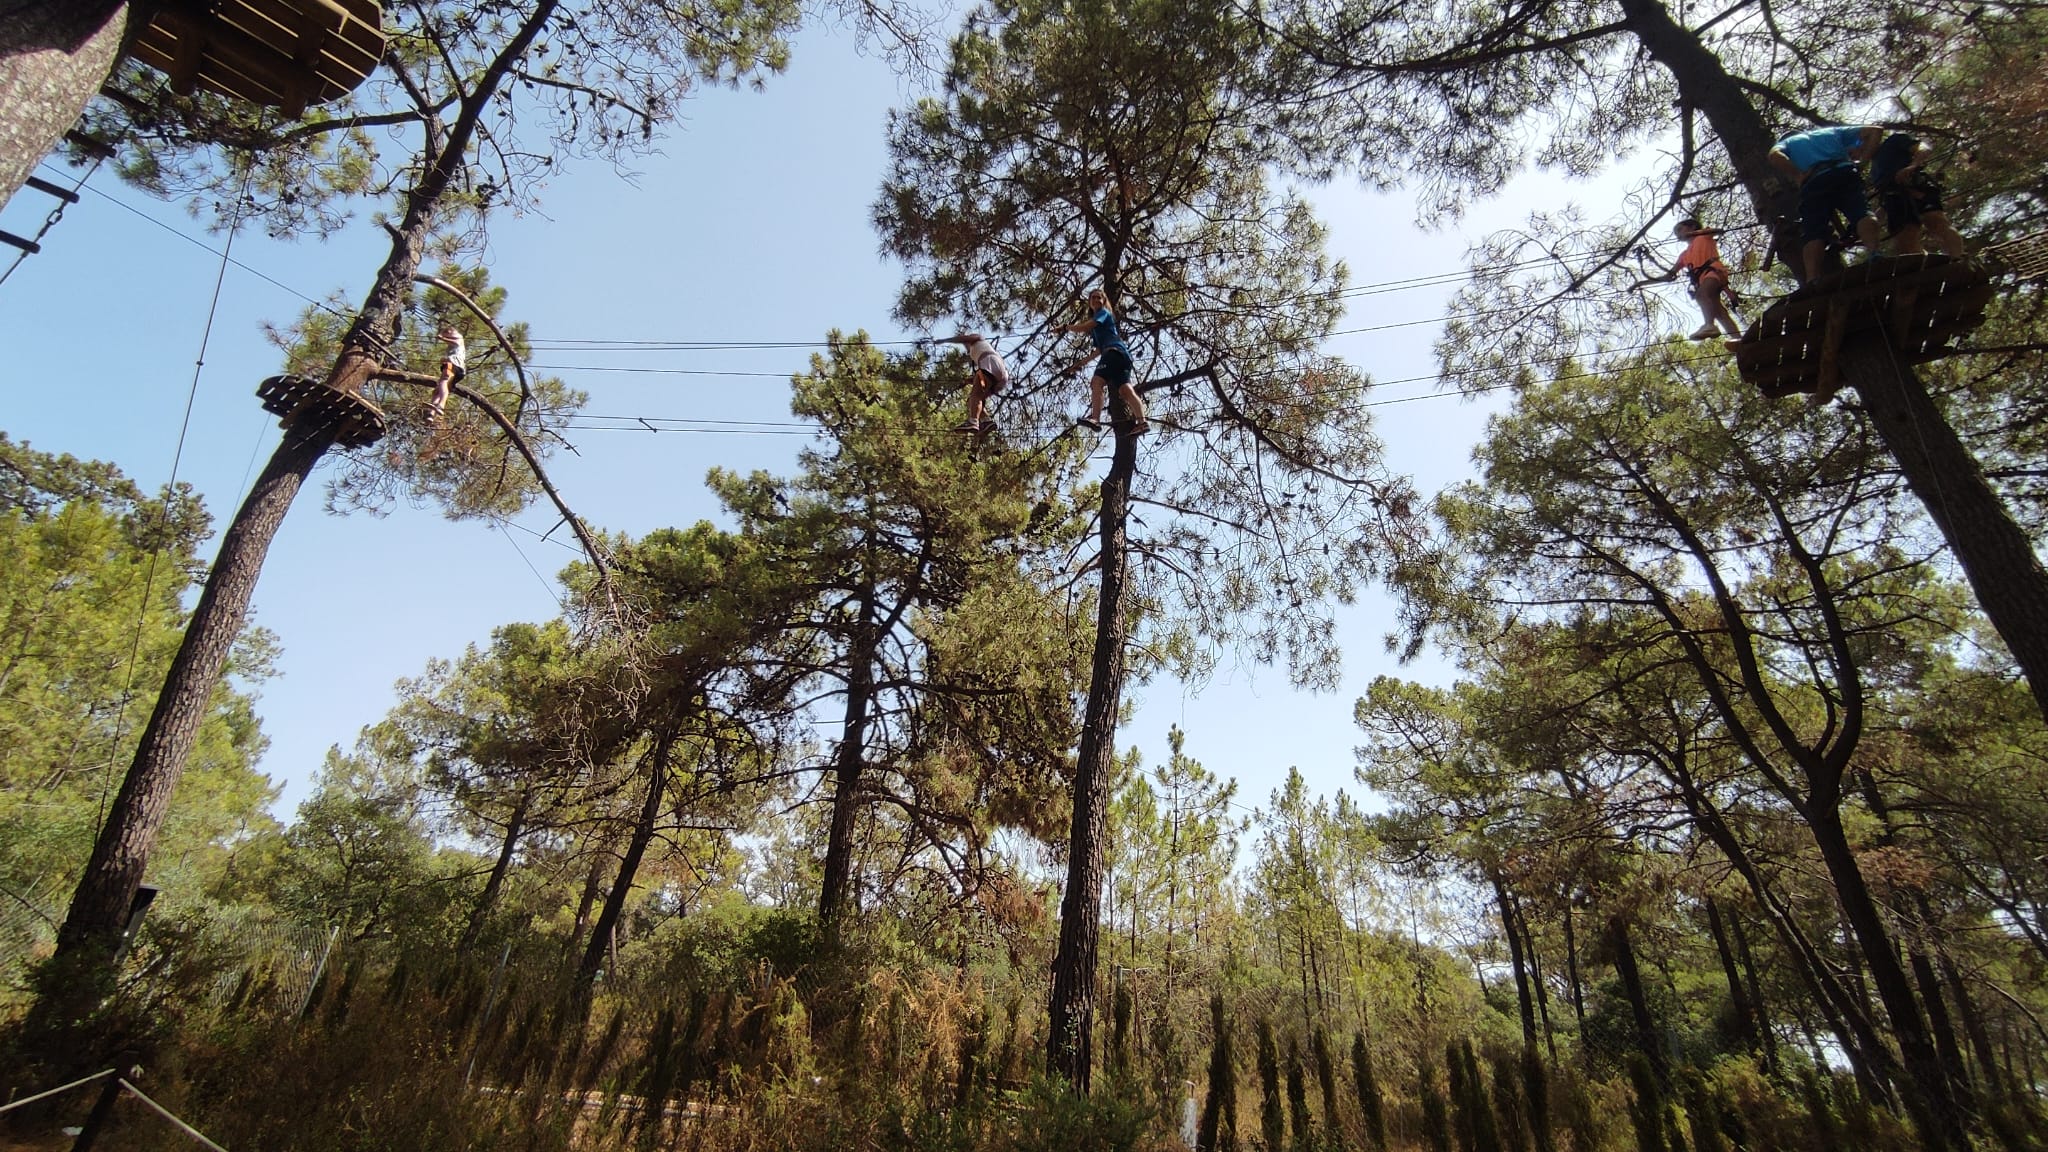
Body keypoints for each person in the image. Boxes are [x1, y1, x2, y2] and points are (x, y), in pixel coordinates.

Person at [1767, 124, 1884, 282]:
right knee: (1861, 212)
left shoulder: (1789, 142)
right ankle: (1875, 253)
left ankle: (1812, 279)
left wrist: (1797, 174)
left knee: (1814, 231)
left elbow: (1774, 155)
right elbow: (1876, 130)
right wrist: (1863, 161)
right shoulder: (1831, 131)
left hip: (1814, 180)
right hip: (1844, 171)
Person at [1639, 218, 1744, 340]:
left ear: (1692, 226)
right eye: (1676, 233)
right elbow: (1669, 275)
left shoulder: (1703, 236)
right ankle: (1738, 339)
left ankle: (1709, 325)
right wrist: (1641, 283)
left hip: (1714, 272)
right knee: (1718, 311)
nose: (1678, 234)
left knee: (1701, 295)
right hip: (1703, 279)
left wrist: (1696, 233)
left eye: (1680, 229)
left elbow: (1719, 231)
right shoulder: (1684, 255)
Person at [1061, 288, 1146, 435]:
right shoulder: (1098, 328)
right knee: (1125, 390)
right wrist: (1080, 363)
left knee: (1097, 382)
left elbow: (1085, 327)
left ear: (1104, 301)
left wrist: (1065, 327)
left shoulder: (1103, 314)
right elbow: (1099, 350)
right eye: (1093, 298)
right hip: (1122, 356)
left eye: (1099, 298)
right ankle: (1142, 422)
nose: (1096, 300)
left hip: (1113, 353)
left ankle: (1095, 418)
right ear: (1089, 302)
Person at [1870, 131, 1966, 259]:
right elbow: (1882, 192)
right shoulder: (1874, 169)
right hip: (1895, 200)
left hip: (1916, 186)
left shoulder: (1894, 140)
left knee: (1936, 223)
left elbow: (1923, 148)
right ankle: (1923, 269)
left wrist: (1912, 166)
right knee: (1904, 239)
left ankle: (1957, 259)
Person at [935, 330, 1010, 433]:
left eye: (965, 343)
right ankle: (986, 421)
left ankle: (973, 422)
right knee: (973, 400)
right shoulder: (978, 351)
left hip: (991, 364)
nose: (966, 346)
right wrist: (970, 380)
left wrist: (944, 340)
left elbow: (964, 338)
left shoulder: (977, 339)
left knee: (975, 395)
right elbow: (984, 378)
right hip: (999, 377)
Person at [431, 325, 466, 422]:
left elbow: (456, 343)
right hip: (457, 368)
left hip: (454, 364)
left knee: (443, 382)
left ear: (450, 332)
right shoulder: (451, 347)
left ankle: (441, 405)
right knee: (438, 390)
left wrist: (443, 338)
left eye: (447, 334)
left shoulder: (458, 337)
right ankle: (432, 412)